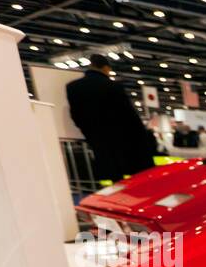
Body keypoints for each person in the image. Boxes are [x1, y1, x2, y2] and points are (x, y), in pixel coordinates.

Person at [65, 54, 156, 182]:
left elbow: (75, 114)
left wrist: (89, 132)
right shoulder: (113, 87)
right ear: (106, 68)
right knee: (134, 174)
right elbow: (128, 115)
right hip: (122, 138)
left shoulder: (73, 87)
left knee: (111, 173)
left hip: (96, 138)